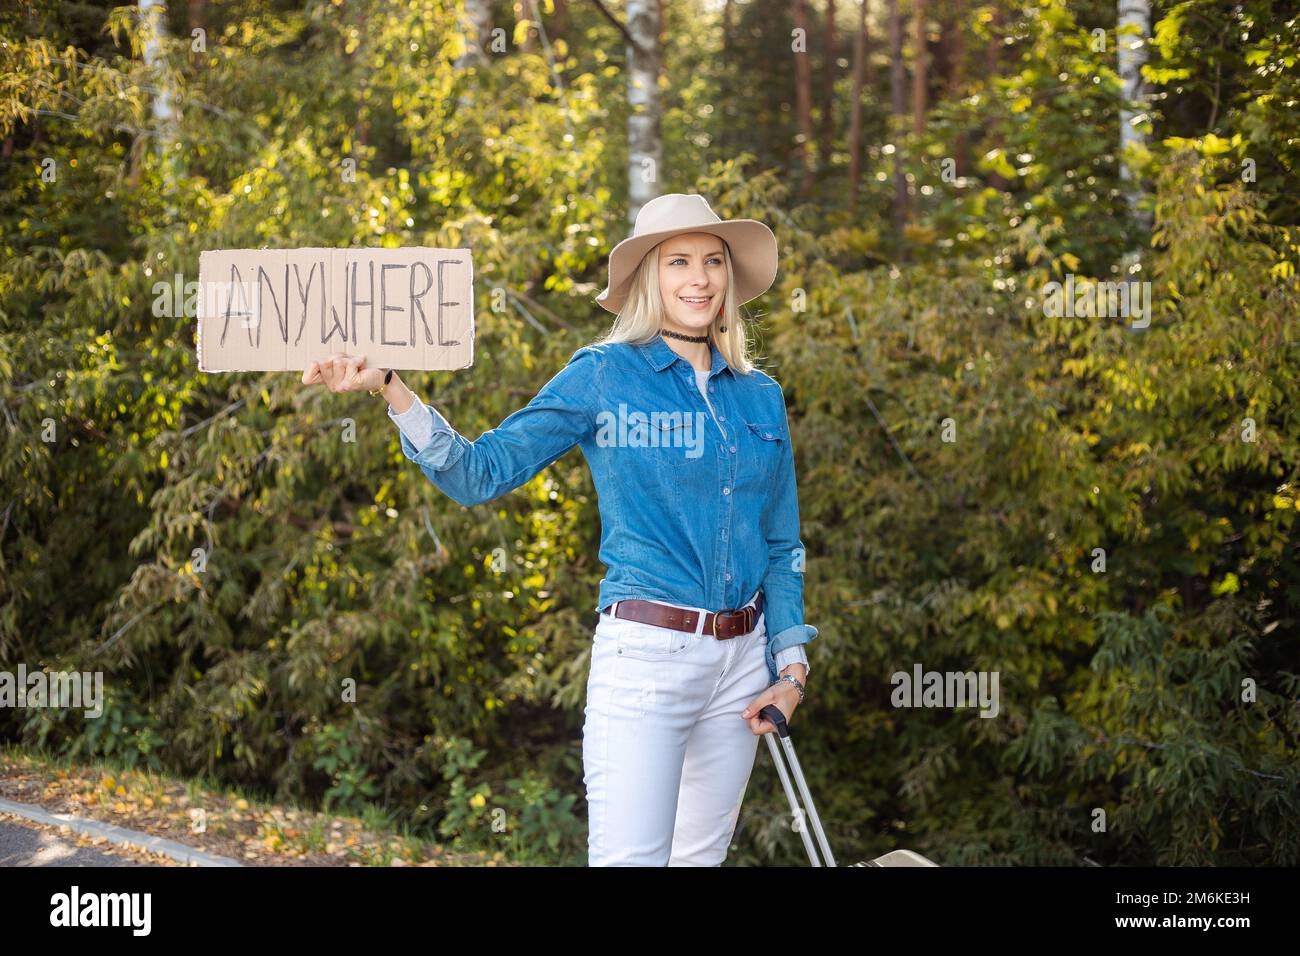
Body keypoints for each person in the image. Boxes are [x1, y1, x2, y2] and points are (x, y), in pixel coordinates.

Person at [301, 192, 818, 866]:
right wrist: (392, 387)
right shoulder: (603, 375)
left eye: (714, 261)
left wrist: (791, 666)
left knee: (700, 860)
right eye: (679, 262)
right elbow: (480, 473)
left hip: (744, 665)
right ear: (647, 279)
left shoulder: (760, 397)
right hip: (648, 659)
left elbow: (782, 544)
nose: (700, 278)